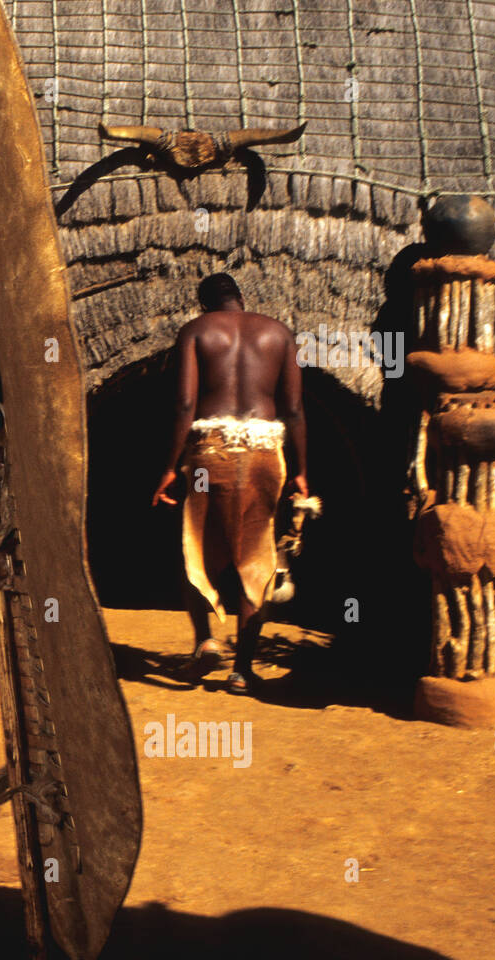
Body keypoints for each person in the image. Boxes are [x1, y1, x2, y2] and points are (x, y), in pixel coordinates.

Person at [152, 273, 307, 693]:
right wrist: (300, 471)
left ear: (204, 303)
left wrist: (169, 466)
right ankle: (242, 669)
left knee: (197, 545)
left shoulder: (197, 331)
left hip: (209, 453)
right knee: (256, 557)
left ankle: (205, 639)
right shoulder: (278, 333)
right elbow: (293, 409)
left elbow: (185, 402)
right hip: (263, 454)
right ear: (241, 298)